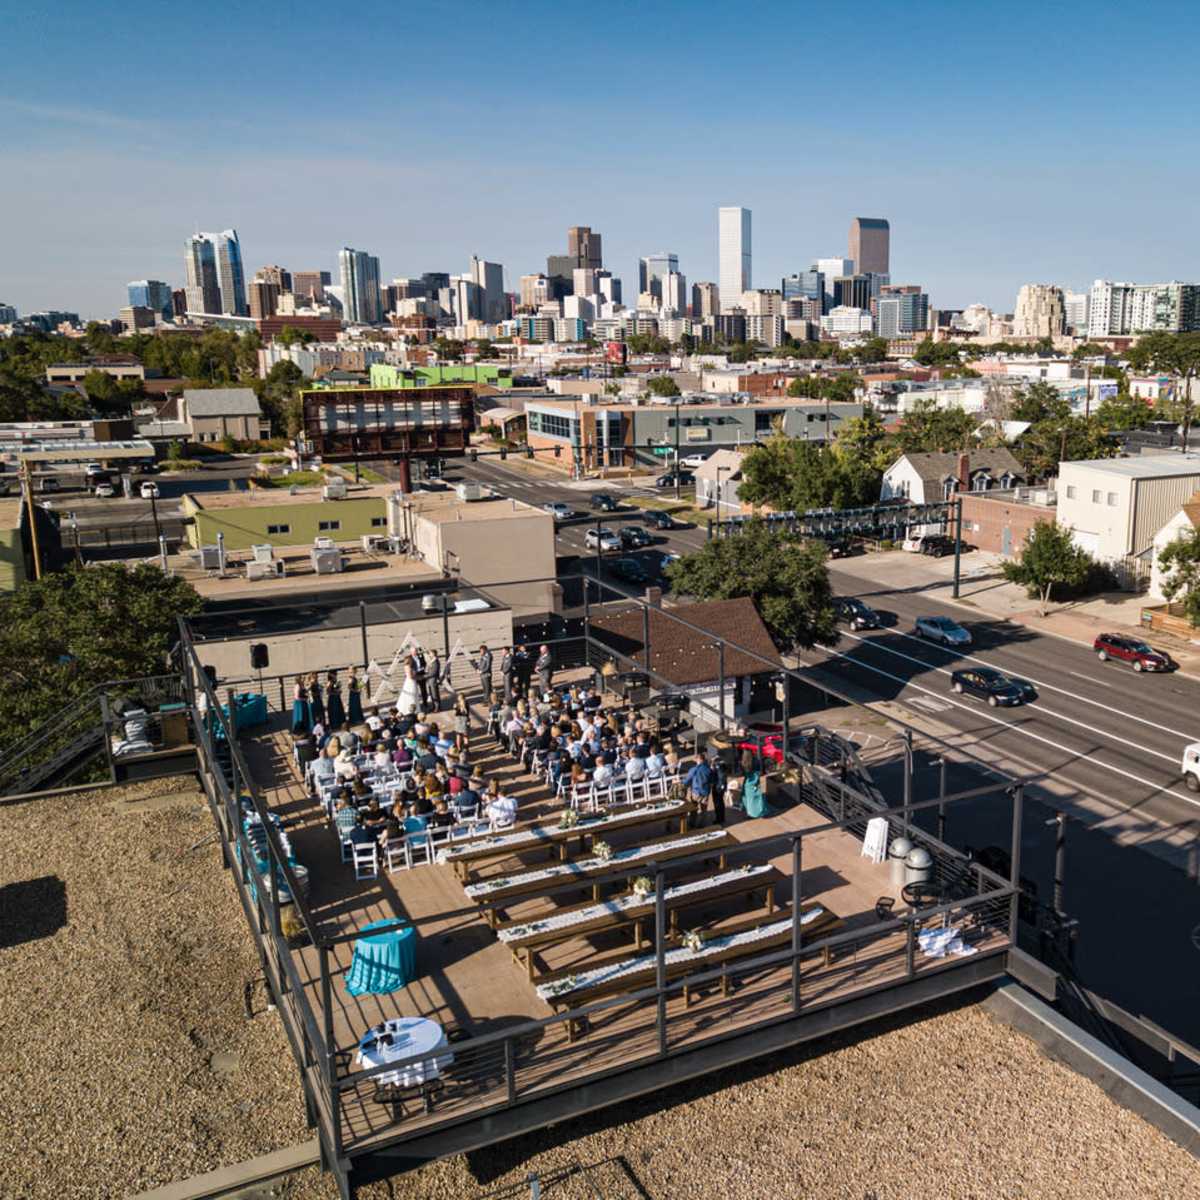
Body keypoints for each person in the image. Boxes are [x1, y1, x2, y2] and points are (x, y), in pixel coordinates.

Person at [684, 755, 721, 826]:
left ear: (699, 760)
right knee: (704, 810)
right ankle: (701, 825)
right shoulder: (708, 770)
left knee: (693, 809)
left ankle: (692, 823)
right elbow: (712, 780)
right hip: (705, 792)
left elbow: (687, 780)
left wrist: (681, 783)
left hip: (695, 792)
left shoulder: (694, 769)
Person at [411, 645, 429, 710]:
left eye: (416, 651)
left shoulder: (420, 656)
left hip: (421, 674)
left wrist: (423, 668)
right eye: (414, 651)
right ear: (411, 652)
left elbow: (424, 663)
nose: (415, 652)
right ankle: (416, 704)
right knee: (414, 689)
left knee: (423, 689)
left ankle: (425, 703)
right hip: (415, 675)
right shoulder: (410, 658)